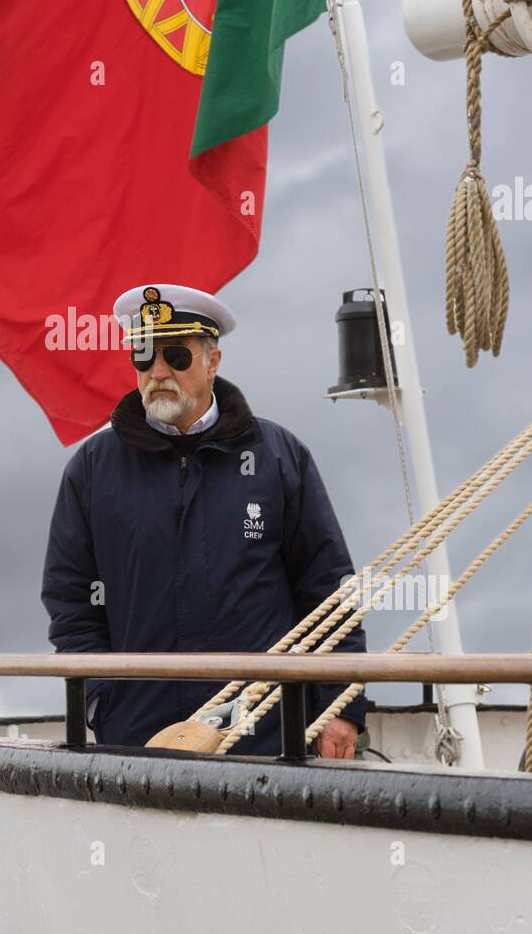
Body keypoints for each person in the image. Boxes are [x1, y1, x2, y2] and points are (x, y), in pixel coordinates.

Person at [41, 284, 367, 759]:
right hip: (137, 738)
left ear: (212, 362)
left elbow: (328, 592)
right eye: (144, 354)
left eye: (176, 355)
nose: (158, 371)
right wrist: (102, 698)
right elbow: (71, 601)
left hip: (265, 734)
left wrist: (341, 705)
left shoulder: (279, 457)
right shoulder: (92, 469)